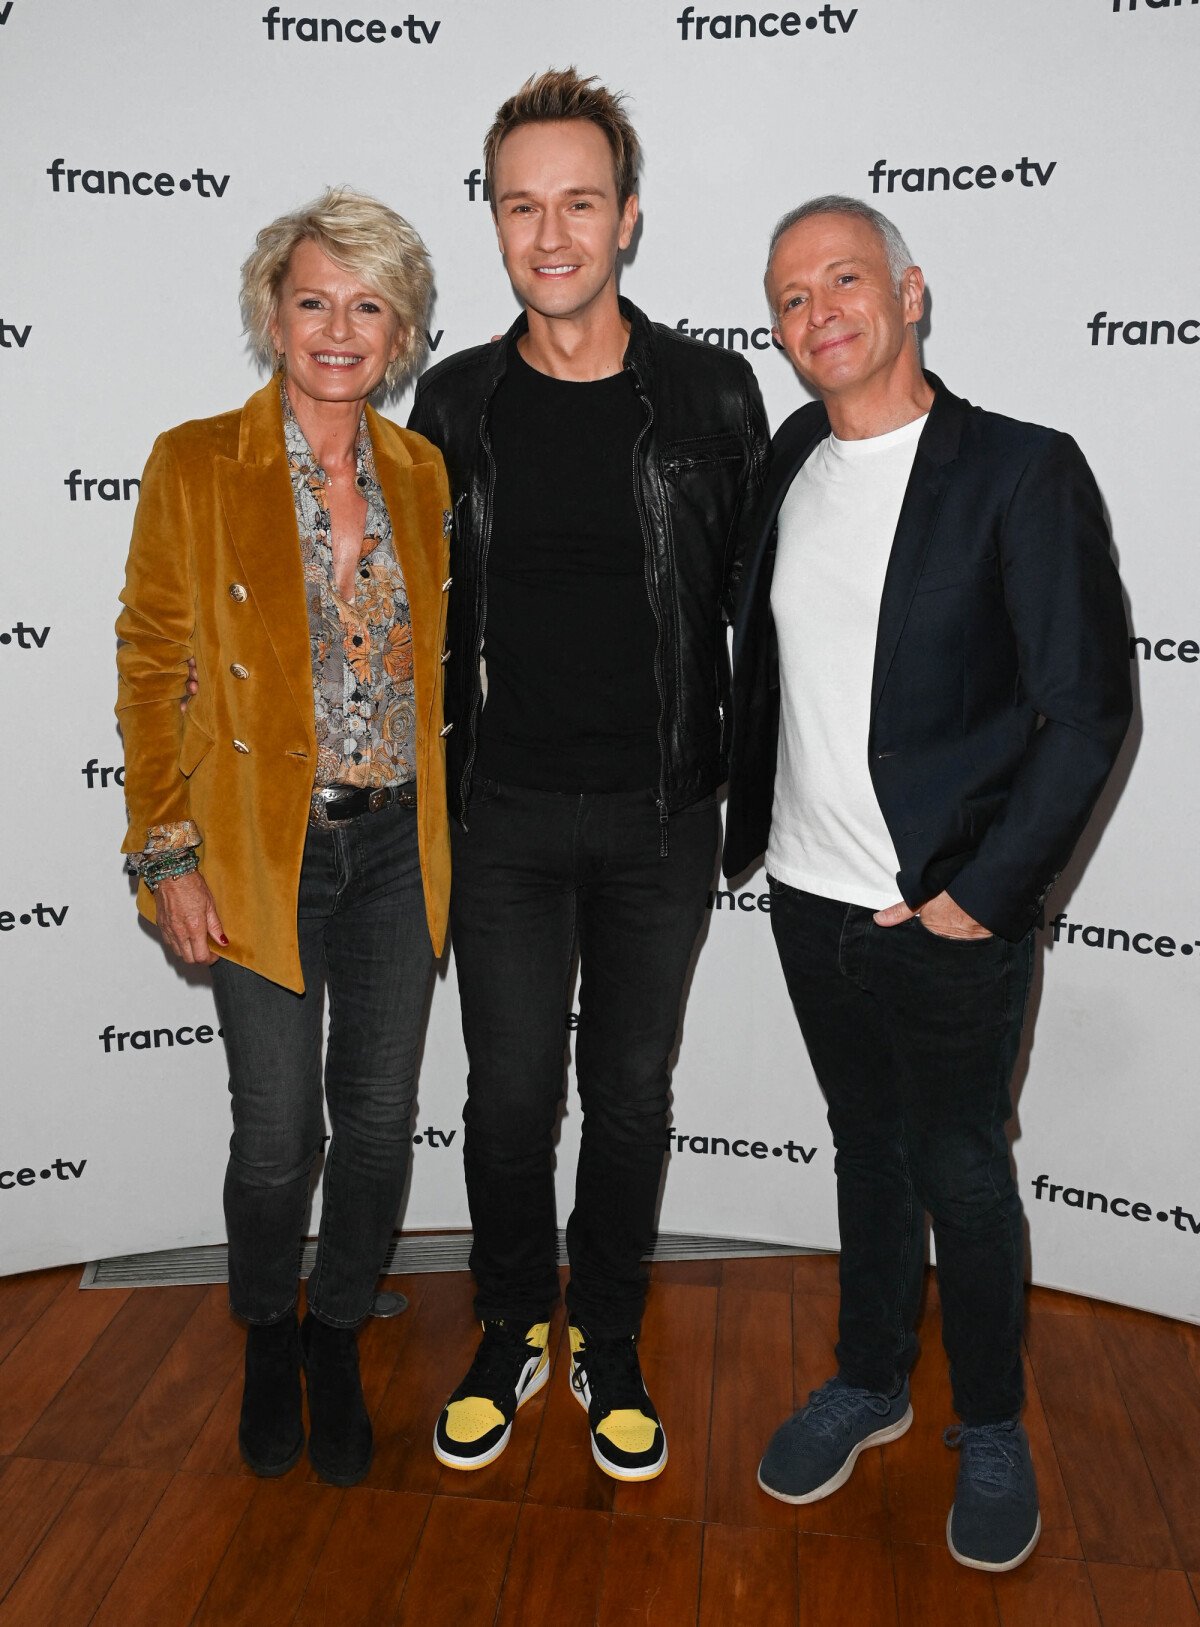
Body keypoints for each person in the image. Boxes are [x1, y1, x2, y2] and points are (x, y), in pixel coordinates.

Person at [724, 196, 1131, 1570]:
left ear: (911, 292)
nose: (817, 310)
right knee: (867, 1145)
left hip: (947, 908)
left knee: (961, 1163)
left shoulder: (1021, 469)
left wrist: (984, 894)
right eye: (789, 295)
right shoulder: (788, 459)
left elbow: (1087, 711)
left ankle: (995, 1422)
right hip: (808, 894)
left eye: (844, 279)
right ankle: (872, 1379)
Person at [409, 68, 767, 1482]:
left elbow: (767, 611)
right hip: (498, 815)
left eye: (578, 203)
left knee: (629, 1093)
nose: (549, 234)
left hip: (661, 812)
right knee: (506, 1099)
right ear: (495, 223)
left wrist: (761, 799)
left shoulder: (710, 392)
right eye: (520, 206)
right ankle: (509, 1327)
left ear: (628, 218)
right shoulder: (453, 399)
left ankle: (606, 1336)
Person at [115, 187, 452, 1488]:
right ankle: (265, 1329)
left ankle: (334, 1333)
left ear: (402, 331)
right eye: (315, 299)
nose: (338, 328)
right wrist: (166, 853)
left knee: (375, 1125)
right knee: (277, 1135)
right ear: (273, 312)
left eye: (369, 305)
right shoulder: (196, 461)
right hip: (262, 850)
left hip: (395, 849)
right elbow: (152, 668)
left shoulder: (423, 474)